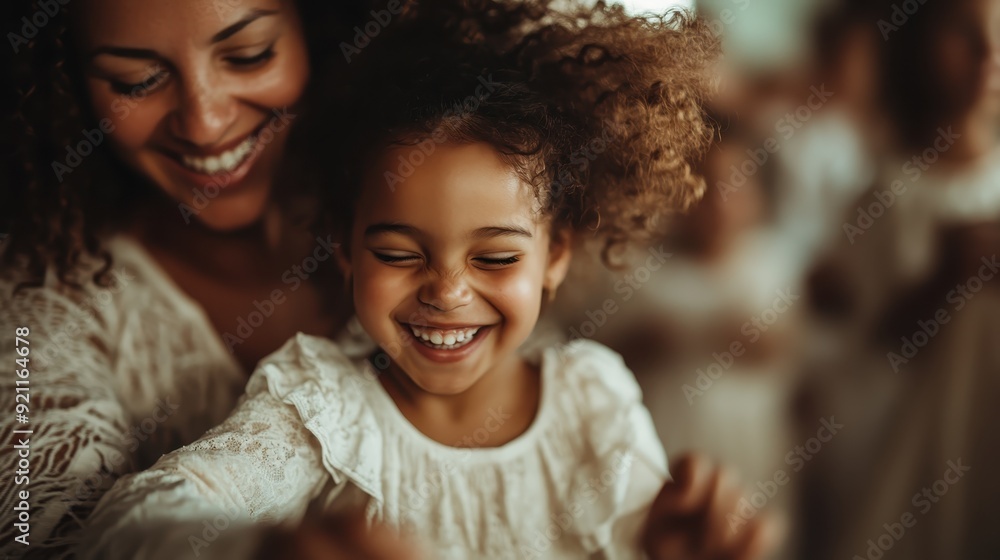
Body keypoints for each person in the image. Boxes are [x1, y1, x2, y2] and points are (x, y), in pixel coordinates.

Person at [78, 3, 779, 559]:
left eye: (495, 260)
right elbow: (124, 528)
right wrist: (261, 549)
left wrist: (664, 551)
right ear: (345, 251)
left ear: (555, 255)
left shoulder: (596, 405)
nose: (447, 292)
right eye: (399, 253)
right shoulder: (320, 411)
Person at [0, 1, 361, 557]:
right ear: (67, 83)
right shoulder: (42, 303)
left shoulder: (444, 208)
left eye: (248, 55)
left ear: (317, 28)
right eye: (137, 81)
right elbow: (37, 538)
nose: (205, 123)